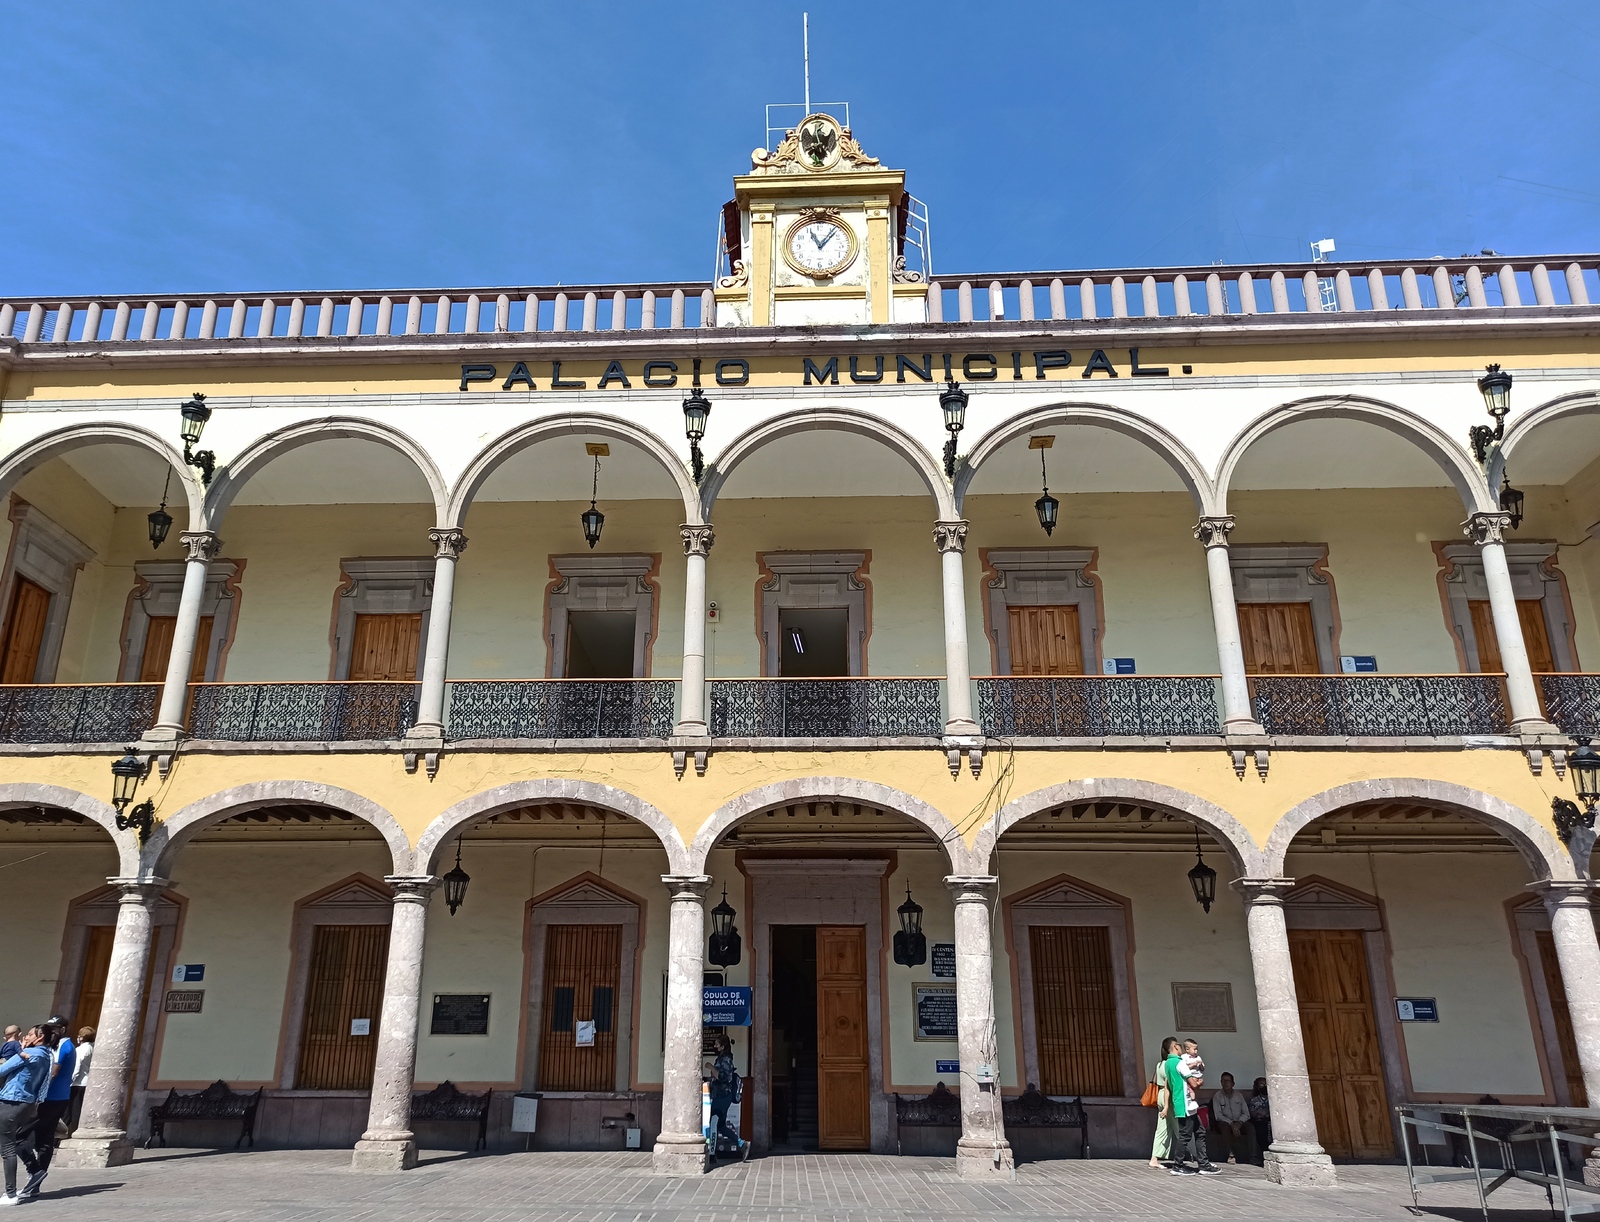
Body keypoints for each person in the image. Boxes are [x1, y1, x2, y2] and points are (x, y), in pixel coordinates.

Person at [23, 1017, 74, 1195]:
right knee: (44, 1139)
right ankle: (36, 1180)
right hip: (56, 1098)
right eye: (50, 1028)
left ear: (63, 1029)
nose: (52, 1031)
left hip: (50, 1099)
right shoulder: (58, 1045)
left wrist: (37, 1093)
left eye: (55, 1028)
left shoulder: (63, 1046)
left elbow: (53, 1073)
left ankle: (36, 1172)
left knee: (22, 1135)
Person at [0, 1027, 51, 1205]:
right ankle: (36, 1171)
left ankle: (10, 1193)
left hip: (12, 1100)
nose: (26, 1037)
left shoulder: (30, 1052)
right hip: (27, 1103)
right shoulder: (47, 1055)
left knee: (6, 1147)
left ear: (40, 1037)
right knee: (17, 1139)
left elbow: (2, 1069)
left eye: (30, 1034)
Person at [1166, 1038, 1219, 1175]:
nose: (1180, 1047)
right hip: (1186, 1102)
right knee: (1185, 1135)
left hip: (1181, 1101)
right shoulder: (1179, 1063)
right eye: (1178, 1045)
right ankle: (1178, 1165)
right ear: (1175, 1047)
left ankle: (1203, 1163)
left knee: (1200, 1131)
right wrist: (1199, 1083)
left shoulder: (1168, 1063)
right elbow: (1193, 1083)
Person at [708, 1034, 749, 1160]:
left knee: (713, 1122)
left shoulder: (726, 1060)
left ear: (722, 1046)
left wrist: (710, 1067)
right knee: (720, 1125)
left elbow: (723, 1077)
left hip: (722, 1096)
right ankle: (742, 1144)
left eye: (716, 1044)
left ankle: (711, 1153)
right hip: (719, 1095)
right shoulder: (721, 1058)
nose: (714, 1046)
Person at [1207, 1072, 1254, 1164]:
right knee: (1224, 1128)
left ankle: (1253, 1157)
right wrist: (1231, 1123)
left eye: (1228, 1081)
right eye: (1223, 1081)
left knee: (1251, 1128)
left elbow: (1246, 1114)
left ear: (1233, 1083)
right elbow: (1218, 1115)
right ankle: (1230, 1155)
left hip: (1239, 1121)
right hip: (1225, 1122)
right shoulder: (1217, 1096)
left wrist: (1239, 1122)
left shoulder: (1239, 1095)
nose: (1225, 1083)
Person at [1148, 1036, 1179, 1168]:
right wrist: (1167, 1105)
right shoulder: (1169, 1064)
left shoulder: (1159, 1064)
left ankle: (1154, 1158)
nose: (1178, 1047)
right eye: (1176, 1045)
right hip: (1168, 1096)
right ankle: (1196, 1154)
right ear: (1171, 1049)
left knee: (1162, 1128)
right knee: (1180, 1126)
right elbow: (1168, 1085)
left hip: (1160, 1095)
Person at [67, 1027, 94, 1135]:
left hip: (78, 1083)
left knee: (74, 1110)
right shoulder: (93, 1048)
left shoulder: (81, 1049)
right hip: (87, 1082)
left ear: (81, 1037)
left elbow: (77, 1066)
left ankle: (71, 1132)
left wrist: (71, 1080)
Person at [1248, 1077, 1271, 1165]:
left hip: (1270, 1121)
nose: (1264, 1086)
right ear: (1257, 1087)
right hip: (1260, 1121)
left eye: (1265, 1084)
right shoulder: (1255, 1100)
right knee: (1260, 1130)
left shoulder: (1272, 1098)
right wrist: (1260, 1113)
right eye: (1261, 1084)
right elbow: (1253, 1113)